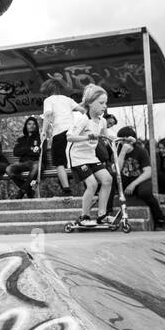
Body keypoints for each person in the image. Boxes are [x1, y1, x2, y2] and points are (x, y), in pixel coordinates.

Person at [65, 87, 114, 227]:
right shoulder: (83, 119)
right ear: (91, 103)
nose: (105, 106)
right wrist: (87, 137)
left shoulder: (102, 121)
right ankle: (84, 217)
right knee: (92, 184)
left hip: (91, 156)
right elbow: (69, 137)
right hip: (77, 157)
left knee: (107, 179)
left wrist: (125, 139)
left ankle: (102, 215)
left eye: (105, 103)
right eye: (101, 103)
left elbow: (107, 136)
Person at [108, 126, 165, 230]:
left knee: (145, 192)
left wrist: (133, 184)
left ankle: (159, 219)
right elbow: (116, 170)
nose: (124, 142)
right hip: (124, 181)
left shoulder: (141, 151)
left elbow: (148, 172)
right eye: (122, 139)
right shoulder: (118, 150)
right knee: (110, 178)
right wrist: (122, 152)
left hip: (139, 181)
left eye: (127, 139)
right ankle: (107, 212)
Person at [40, 77, 79, 195]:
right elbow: (81, 109)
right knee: (77, 159)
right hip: (73, 132)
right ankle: (92, 186)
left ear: (48, 90)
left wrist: (44, 131)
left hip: (60, 133)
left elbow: (47, 115)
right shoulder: (67, 99)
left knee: (59, 162)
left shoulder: (48, 100)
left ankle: (67, 190)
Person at [8, 117, 42, 198]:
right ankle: (28, 188)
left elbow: (38, 152)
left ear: (36, 126)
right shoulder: (21, 139)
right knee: (8, 169)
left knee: (36, 166)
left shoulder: (41, 138)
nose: (32, 126)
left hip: (36, 163)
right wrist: (30, 149)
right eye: (29, 124)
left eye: (34, 124)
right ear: (26, 126)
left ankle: (22, 191)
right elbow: (16, 152)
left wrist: (24, 150)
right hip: (23, 163)